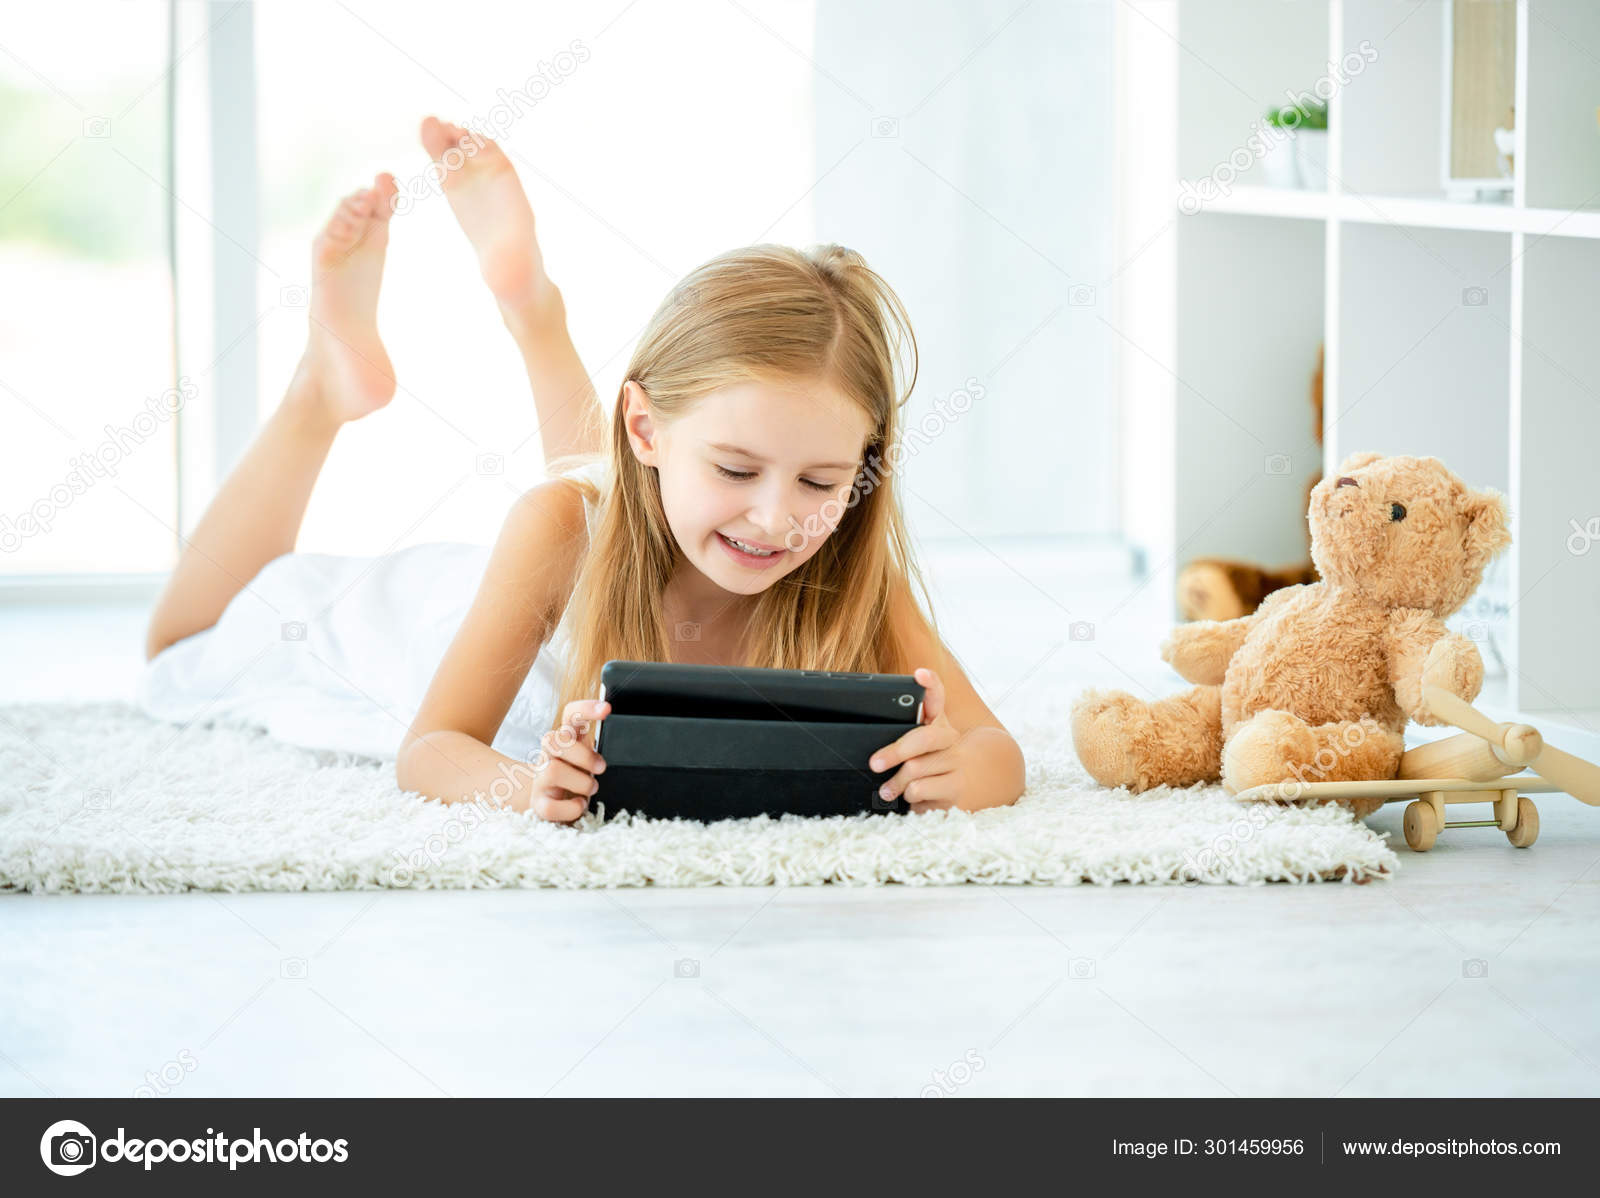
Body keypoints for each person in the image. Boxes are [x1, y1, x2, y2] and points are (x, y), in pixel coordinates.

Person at [141, 117, 1025, 823]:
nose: (775, 518)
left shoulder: (847, 565)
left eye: (821, 483)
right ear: (644, 426)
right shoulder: (555, 527)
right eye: (736, 468)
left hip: (593, 544)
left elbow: (998, 752)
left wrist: (959, 771)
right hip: (417, 619)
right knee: (177, 651)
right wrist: (523, 786)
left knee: (609, 502)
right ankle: (320, 390)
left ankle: (532, 311)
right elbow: (431, 749)